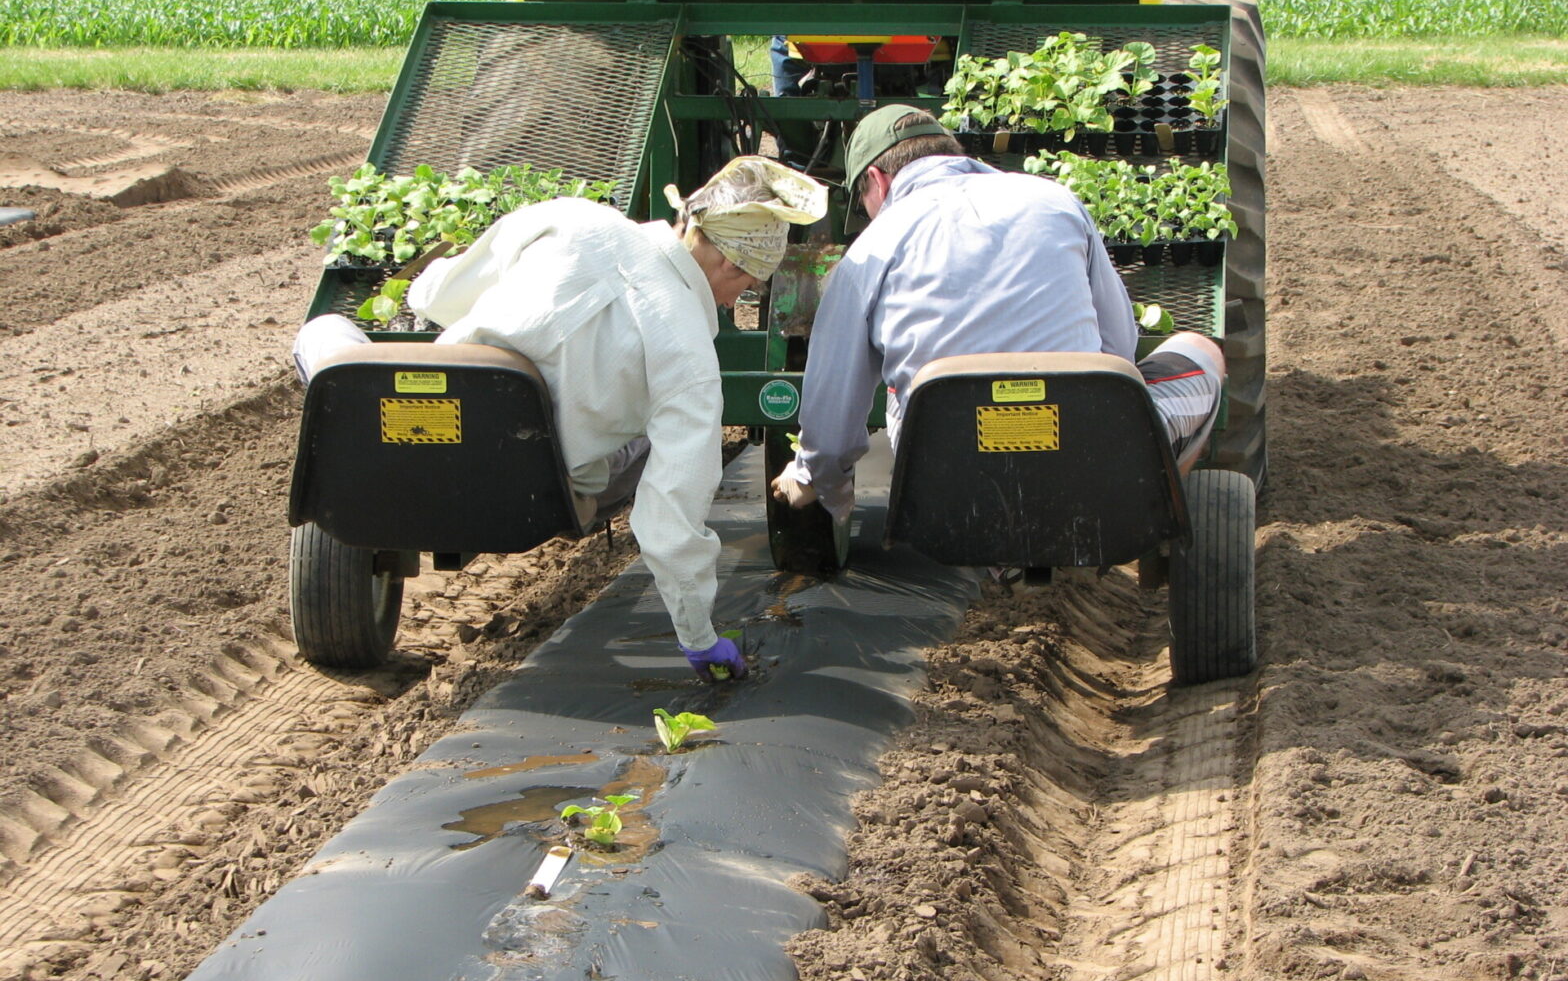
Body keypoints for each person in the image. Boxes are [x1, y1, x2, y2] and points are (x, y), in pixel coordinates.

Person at [295, 156, 828, 682]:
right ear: (735, 265)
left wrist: (425, 295)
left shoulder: (573, 220)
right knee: (645, 447)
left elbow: (439, 296)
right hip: (527, 498)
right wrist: (698, 637)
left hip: (417, 431)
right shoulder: (690, 361)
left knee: (325, 337)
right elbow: (670, 520)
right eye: (749, 287)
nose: (740, 298)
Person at [769, 105, 1225, 528]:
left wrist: (821, 484)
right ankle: (1132, 512)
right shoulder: (1055, 200)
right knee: (1201, 350)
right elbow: (1118, 349)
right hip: (1082, 455)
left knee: (901, 386)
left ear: (877, 179)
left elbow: (831, 413)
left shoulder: (872, 248)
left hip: (945, 482)